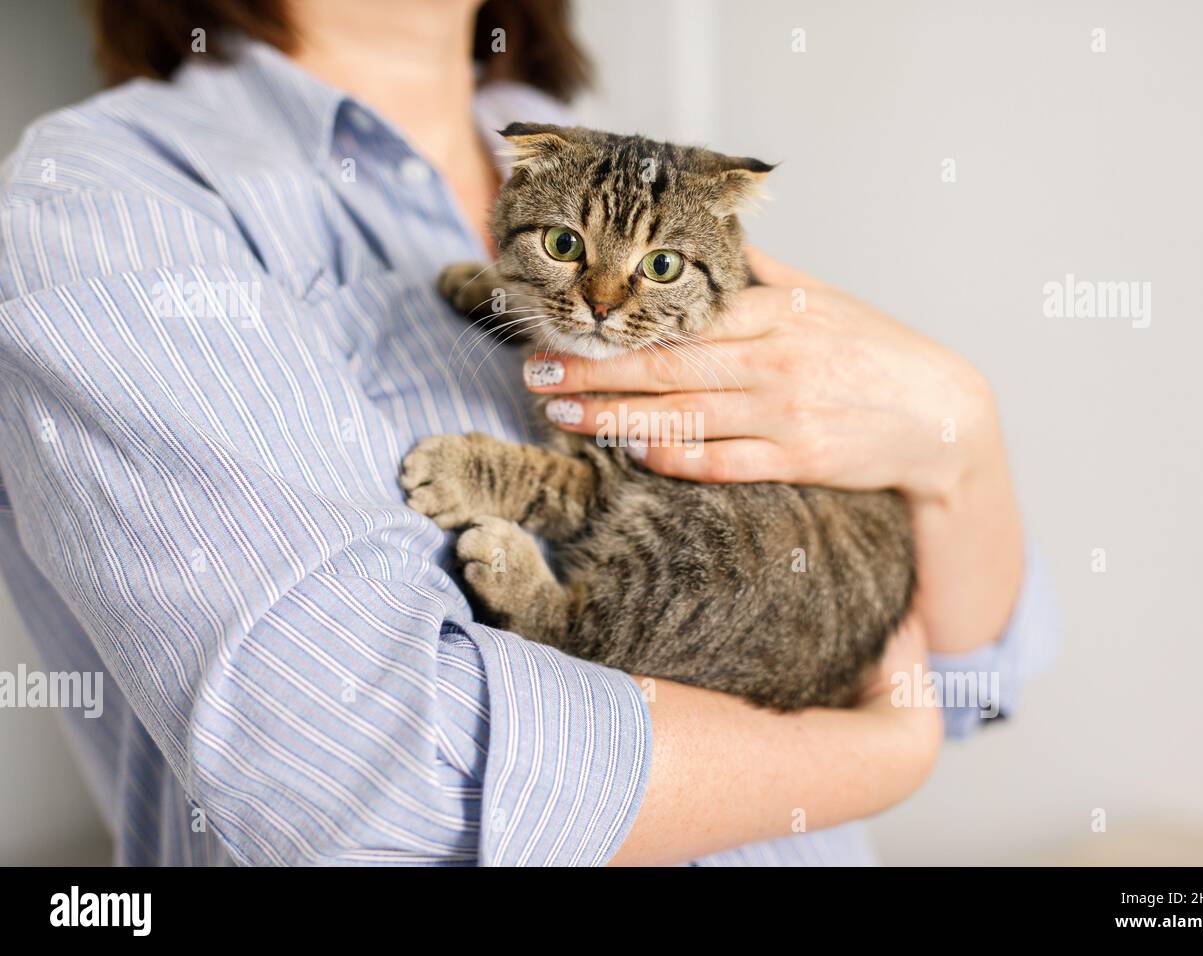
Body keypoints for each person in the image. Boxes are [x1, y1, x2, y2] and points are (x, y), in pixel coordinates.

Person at [0, 0, 1057, 866]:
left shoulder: (620, 171)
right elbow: (368, 782)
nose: (601, 292)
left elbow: (972, 681)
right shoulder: (109, 201)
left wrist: (957, 433)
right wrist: (872, 758)